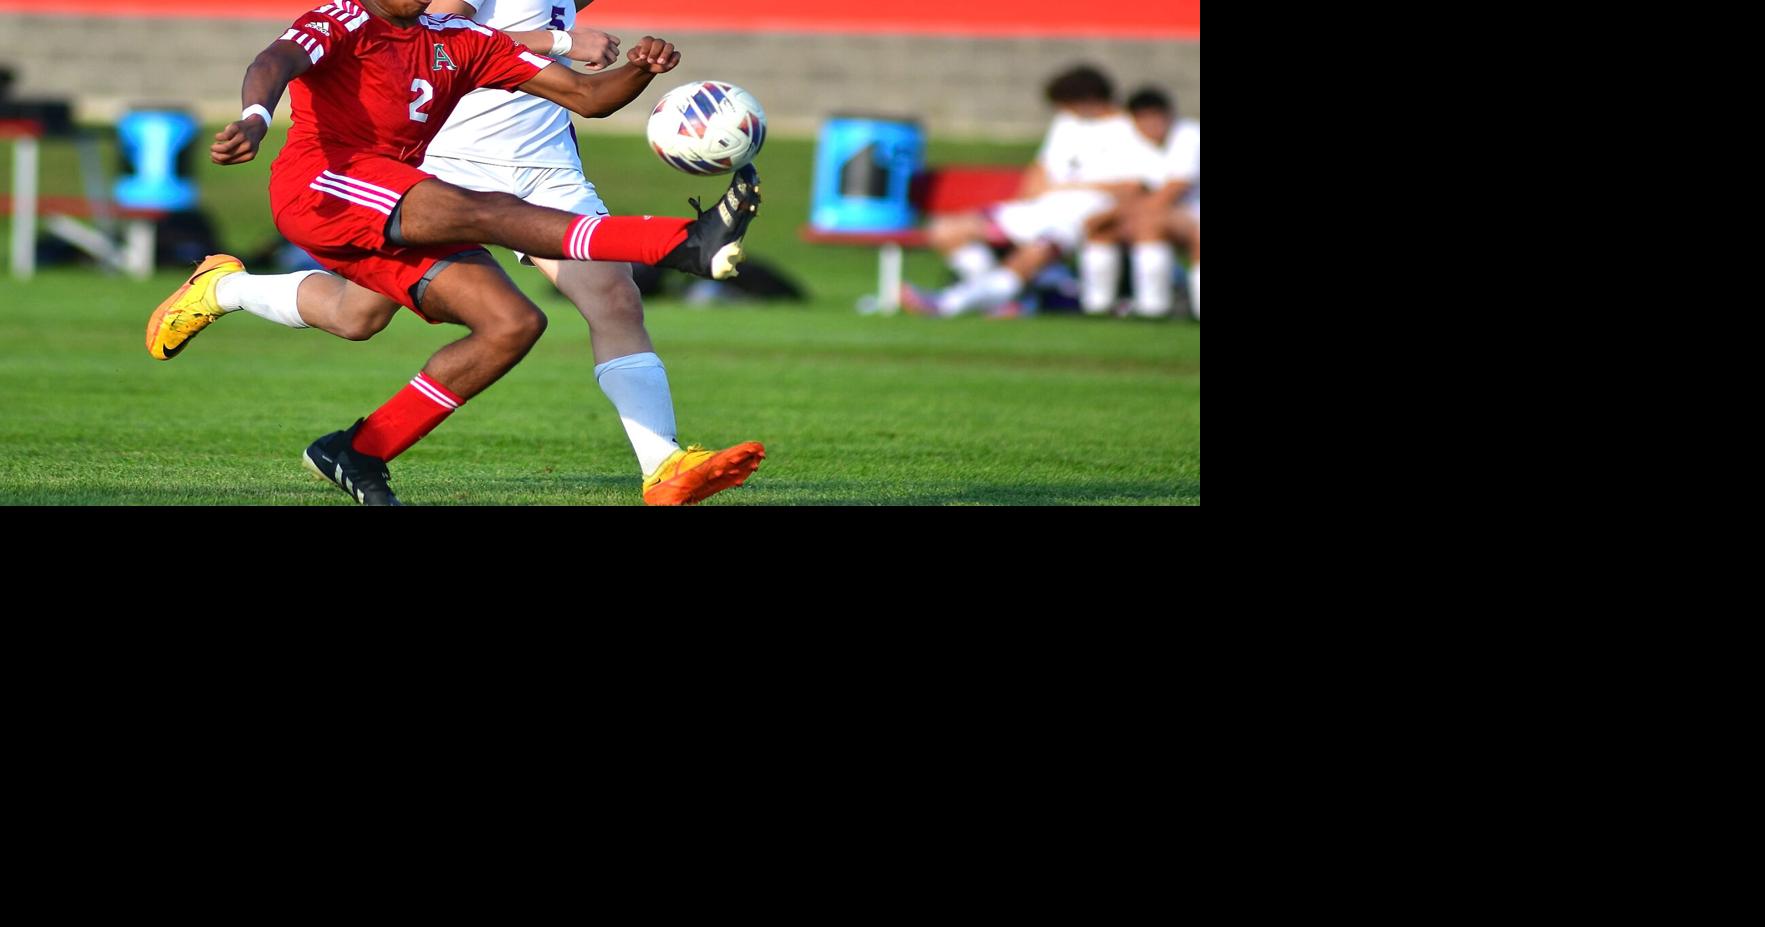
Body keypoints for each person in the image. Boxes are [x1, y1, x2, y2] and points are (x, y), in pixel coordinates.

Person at [144, 0, 764, 506]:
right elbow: (276, 58)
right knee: (486, 213)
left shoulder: (459, 38)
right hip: (327, 186)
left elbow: (587, 97)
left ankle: (352, 443)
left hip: (442, 180)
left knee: (506, 324)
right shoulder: (346, 17)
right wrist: (254, 117)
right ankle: (681, 243)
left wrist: (643, 67)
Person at [903, 65, 1162, 318]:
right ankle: (1009, 300)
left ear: (1088, 100)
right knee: (946, 230)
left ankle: (948, 304)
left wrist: (1074, 187)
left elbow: (1134, 187)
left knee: (1033, 255)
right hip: (1040, 209)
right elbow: (1040, 172)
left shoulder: (1131, 130)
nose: (1066, 111)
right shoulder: (1067, 124)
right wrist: (1033, 196)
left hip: (1079, 218)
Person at [1123, 87, 1199, 319]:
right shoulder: (1137, 144)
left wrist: (1135, 215)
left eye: (1155, 117)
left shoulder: (1190, 135)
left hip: (1191, 212)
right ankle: (1152, 309)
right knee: (1146, 226)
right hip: (1174, 214)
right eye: (1143, 120)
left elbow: (1176, 187)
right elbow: (1134, 187)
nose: (1151, 125)